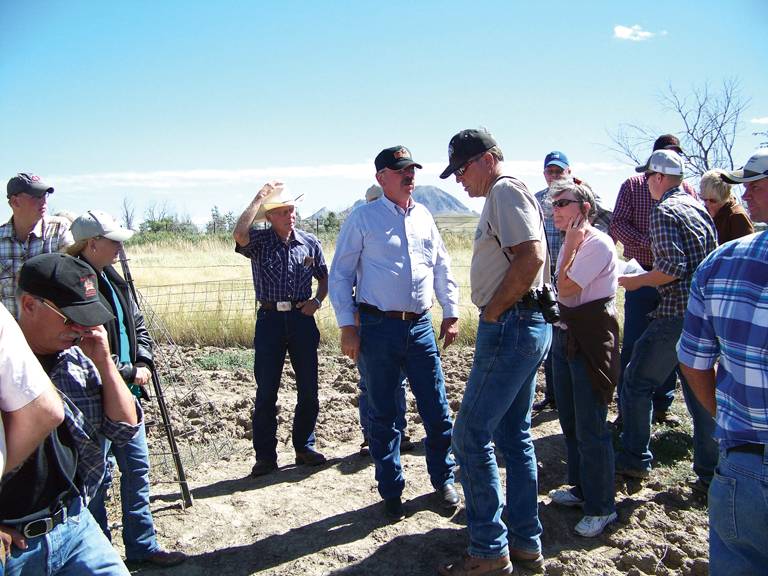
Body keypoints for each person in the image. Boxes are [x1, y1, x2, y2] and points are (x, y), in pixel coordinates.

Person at [437, 129, 551, 576]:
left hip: (511, 324)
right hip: (523, 323)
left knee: (468, 436)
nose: (459, 180)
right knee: (513, 435)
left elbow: (531, 256)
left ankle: (488, 550)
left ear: (486, 159)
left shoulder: (504, 191)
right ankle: (525, 542)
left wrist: (493, 312)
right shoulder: (504, 194)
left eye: (463, 169)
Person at [329, 145, 460, 520]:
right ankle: (391, 491)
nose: (410, 176)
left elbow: (441, 266)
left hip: (419, 326)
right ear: (381, 177)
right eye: (401, 170)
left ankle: (443, 479)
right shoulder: (363, 218)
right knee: (384, 414)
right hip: (376, 328)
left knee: (436, 408)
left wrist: (450, 312)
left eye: (412, 170)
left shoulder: (424, 217)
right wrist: (347, 326)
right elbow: (340, 274)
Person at [0, 253, 141, 575]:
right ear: (30, 305)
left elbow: (124, 429)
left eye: (87, 318)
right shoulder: (4, 366)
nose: (81, 329)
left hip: (74, 523)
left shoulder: (78, 361)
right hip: (15, 548)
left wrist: (104, 361)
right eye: (70, 318)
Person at [66, 210, 186, 567]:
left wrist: (144, 361)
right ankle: (99, 553)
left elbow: (136, 323)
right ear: (93, 244)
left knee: (137, 470)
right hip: (90, 398)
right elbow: (80, 348)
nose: (120, 247)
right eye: (114, 241)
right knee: (96, 478)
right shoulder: (73, 285)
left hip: (127, 395)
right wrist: (129, 370)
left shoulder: (112, 278)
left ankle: (142, 547)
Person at [677, 148, 768, 576]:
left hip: (745, 460)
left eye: (754, 184)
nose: (745, 193)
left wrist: (727, 417)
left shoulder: (722, 264)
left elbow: (693, 362)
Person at [616, 149, 717, 487]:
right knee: (699, 392)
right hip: (704, 317)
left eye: (648, 177)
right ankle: (710, 472)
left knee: (635, 381)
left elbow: (671, 268)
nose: (646, 183)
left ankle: (634, 458)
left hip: (674, 315)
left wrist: (636, 280)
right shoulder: (698, 208)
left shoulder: (664, 211)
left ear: (659, 177)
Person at [233, 182, 328, 477]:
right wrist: (259, 197)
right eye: (284, 211)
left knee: (309, 389)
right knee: (266, 392)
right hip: (270, 320)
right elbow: (238, 234)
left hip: (302, 319)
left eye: (292, 210)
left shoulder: (309, 243)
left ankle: (304, 447)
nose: (291, 216)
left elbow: (325, 278)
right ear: (271, 216)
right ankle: (265, 457)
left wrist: (317, 301)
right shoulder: (259, 242)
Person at [545, 178, 620, 537]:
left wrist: (571, 245)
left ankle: (602, 506)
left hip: (588, 339)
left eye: (563, 203)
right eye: (553, 203)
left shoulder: (595, 244)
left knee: (592, 426)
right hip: (566, 335)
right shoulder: (571, 243)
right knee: (572, 422)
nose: (555, 209)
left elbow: (567, 287)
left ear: (584, 208)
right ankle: (580, 488)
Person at [609, 135, 697, 426]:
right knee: (635, 342)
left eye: (677, 154)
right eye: (668, 153)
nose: (674, 157)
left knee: (670, 342)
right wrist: (651, 244)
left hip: (676, 281)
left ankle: (662, 404)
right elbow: (618, 223)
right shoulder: (633, 186)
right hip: (643, 272)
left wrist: (663, 247)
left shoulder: (688, 192)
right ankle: (629, 410)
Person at [355, 186, 413, 457]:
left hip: (399, 321)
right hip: (370, 320)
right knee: (370, 381)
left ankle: (398, 429)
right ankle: (372, 434)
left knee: (396, 381)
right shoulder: (363, 232)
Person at [0, 173, 72, 318]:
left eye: (45, 195)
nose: (44, 201)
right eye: (36, 196)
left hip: (52, 334)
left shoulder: (59, 230)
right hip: (9, 336)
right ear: (15, 202)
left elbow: (73, 280)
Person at [698, 169, 754, 244]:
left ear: (724, 197)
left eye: (713, 201)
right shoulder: (704, 214)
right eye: (704, 199)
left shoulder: (737, 216)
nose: (707, 204)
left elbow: (745, 250)